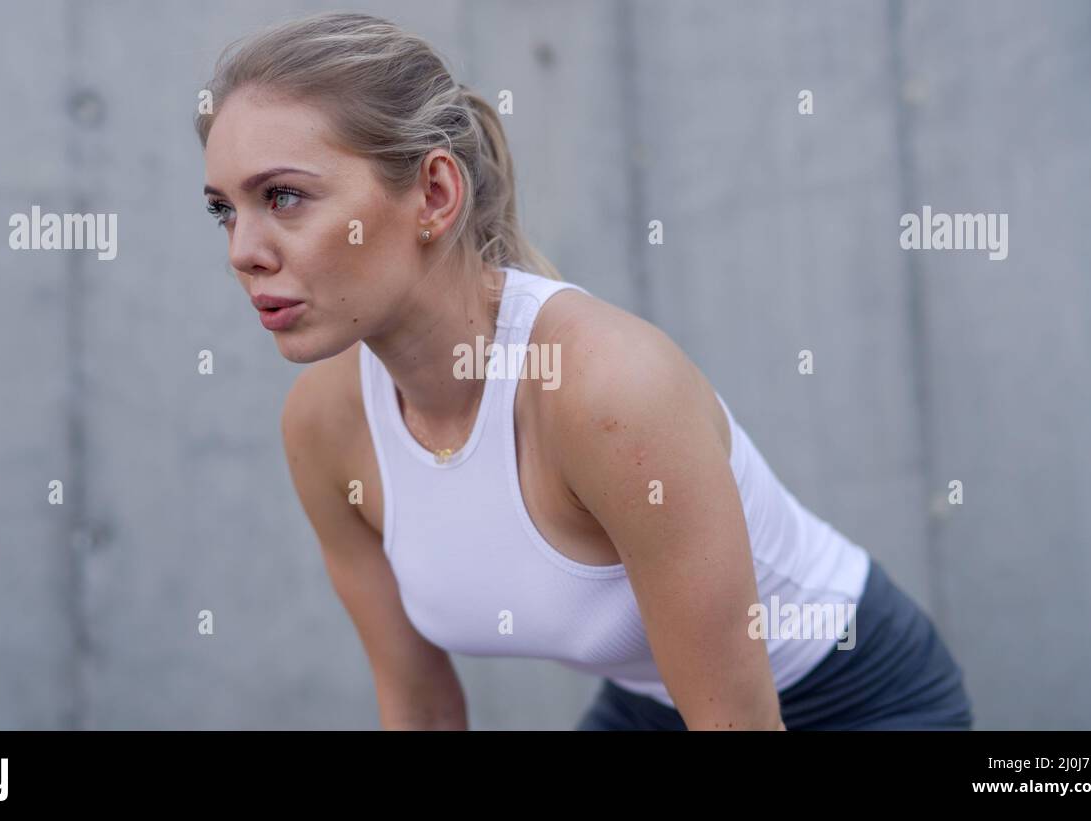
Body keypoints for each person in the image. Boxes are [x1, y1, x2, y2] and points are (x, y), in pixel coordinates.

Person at [196, 11, 973, 730]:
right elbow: (420, 706)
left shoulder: (605, 389)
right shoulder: (325, 427)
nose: (242, 251)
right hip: (659, 700)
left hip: (858, 697)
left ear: (434, 193)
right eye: (224, 209)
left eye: (285, 196)